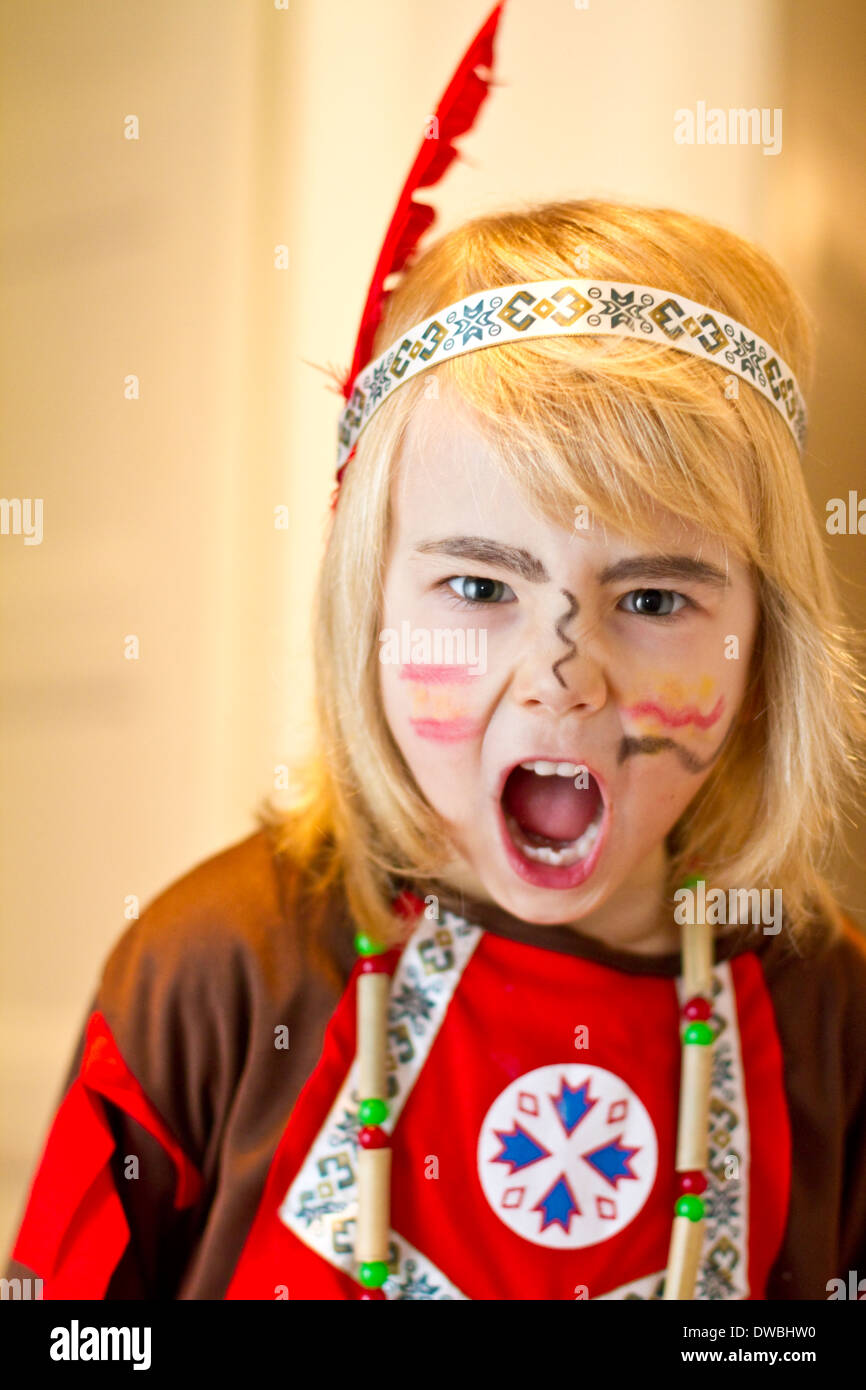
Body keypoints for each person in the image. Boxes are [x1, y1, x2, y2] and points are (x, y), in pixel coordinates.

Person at [5, 190, 866, 1301]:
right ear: (368, 609)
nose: (565, 676)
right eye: (477, 586)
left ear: (767, 643)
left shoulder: (828, 1011)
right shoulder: (213, 970)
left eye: (652, 598)